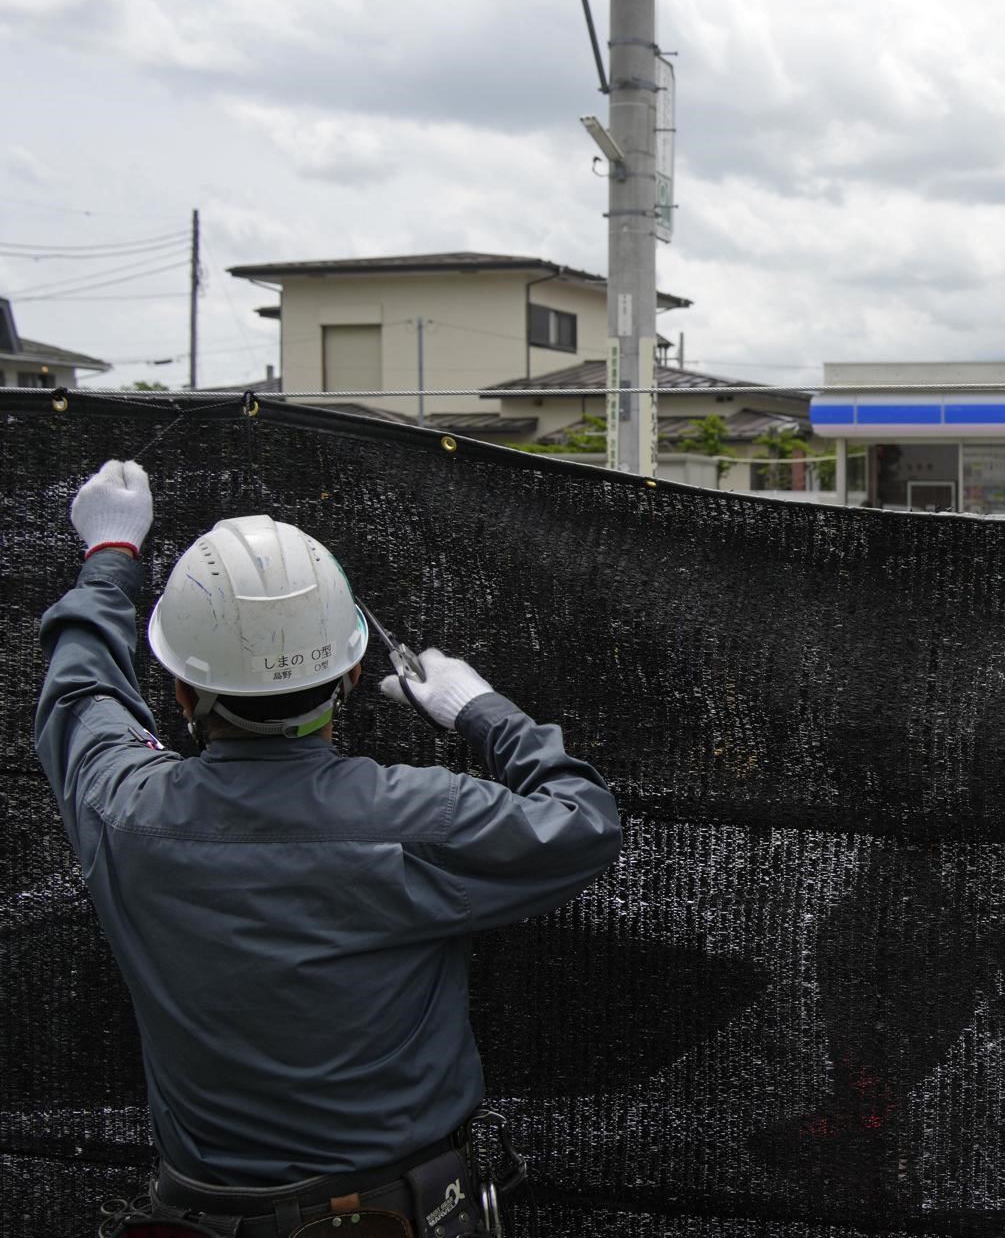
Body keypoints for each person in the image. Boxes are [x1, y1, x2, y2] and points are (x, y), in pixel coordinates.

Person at [36, 460, 622, 1238]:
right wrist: (479, 711)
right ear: (350, 674)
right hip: (403, 1212)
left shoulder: (123, 807)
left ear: (180, 690)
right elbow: (583, 821)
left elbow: (80, 693)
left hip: (198, 1216)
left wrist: (111, 553)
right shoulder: (420, 815)